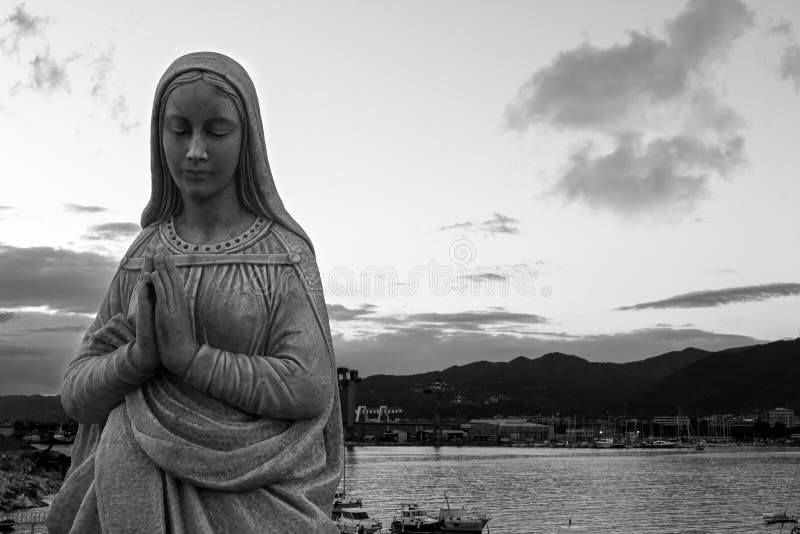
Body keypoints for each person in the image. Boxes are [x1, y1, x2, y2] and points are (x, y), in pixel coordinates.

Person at [46, 52, 343, 533]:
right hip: (133, 487)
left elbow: (310, 387)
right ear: (157, 135)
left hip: (256, 498)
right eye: (179, 130)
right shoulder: (143, 254)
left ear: (248, 140)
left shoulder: (282, 255)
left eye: (217, 131)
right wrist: (138, 359)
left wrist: (189, 359)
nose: (196, 150)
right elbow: (77, 394)